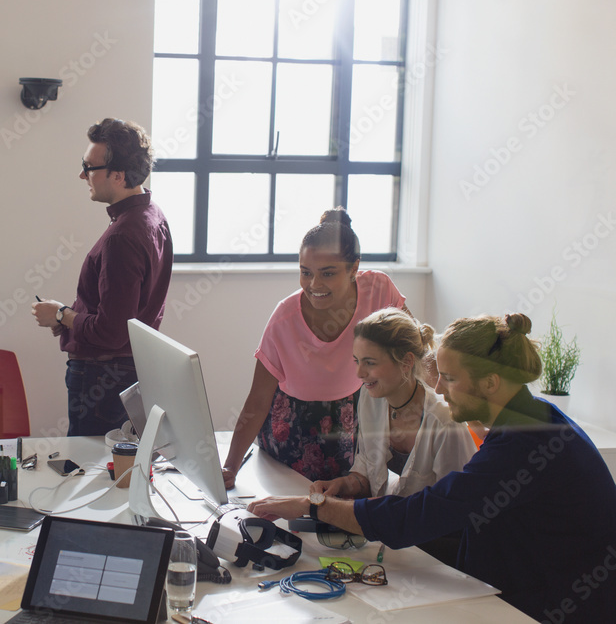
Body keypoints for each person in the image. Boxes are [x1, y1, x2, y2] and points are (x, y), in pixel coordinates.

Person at [246, 313, 616, 623]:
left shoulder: (524, 445)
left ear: (490, 382)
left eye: (450, 378)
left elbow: (425, 513)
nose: (438, 387)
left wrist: (313, 507)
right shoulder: (533, 420)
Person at [222, 209, 408, 485]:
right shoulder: (284, 319)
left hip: (351, 420)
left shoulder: (378, 289)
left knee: (340, 502)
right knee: (291, 501)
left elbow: (412, 344)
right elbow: (258, 401)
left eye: (327, 273)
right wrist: (230, 468)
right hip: (292, 431)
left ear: (354, 268)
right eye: (305, 272)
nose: (314, 285)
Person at [31, 118, 173, 436]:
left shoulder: (122, 235)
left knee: (90, 462)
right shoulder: (152, 214)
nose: (82, 175)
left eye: (89, 167)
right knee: (117, 461)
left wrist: (61, 314)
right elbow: (124, 312)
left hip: (102, 377)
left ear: (118, 175)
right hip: (129, 371)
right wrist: (71, 318)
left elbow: (111, 332)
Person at [314, 307, 475, 500]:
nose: (359, 373)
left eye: (370, 363)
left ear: (406, 362)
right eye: (357, 361)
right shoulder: (370, 398)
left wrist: (373, 512)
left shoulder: (445, 424)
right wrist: (341, 485)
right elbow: (366, 472)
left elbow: (453, 505)